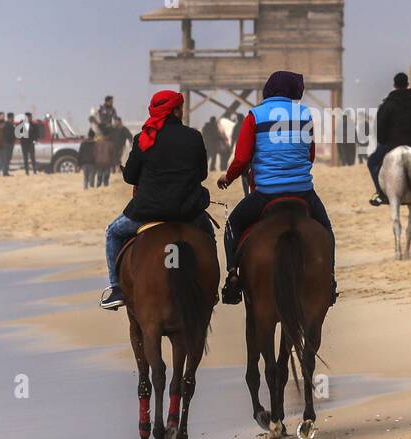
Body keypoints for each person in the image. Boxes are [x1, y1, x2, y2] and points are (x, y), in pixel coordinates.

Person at [214, 71, 335, 305]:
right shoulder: (304, 114)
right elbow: (309, 156)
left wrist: (227, 179)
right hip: (302, 192)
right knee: (326, 229)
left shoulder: (254, 116)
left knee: (232, 225)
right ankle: (330, 281)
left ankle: (232, 277)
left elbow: (241, 159)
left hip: (266, 193)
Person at [100, 90, 212, 311]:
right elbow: (202, 175)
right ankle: (213, 285)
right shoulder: (194, 137)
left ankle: (116, 289)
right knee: (208, 234)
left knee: (113, 232)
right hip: (187, 211)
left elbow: (130, 176)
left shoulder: (143, 138)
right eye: (180, 108)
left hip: (148, 211)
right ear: (176, 111)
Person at [367, 72, 411, 205]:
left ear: (394, 85)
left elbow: (380, 125)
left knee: (372, 162)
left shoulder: (388, 103)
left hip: (392, 143)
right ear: (407, 84)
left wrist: (383, 141)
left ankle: (380, 193)